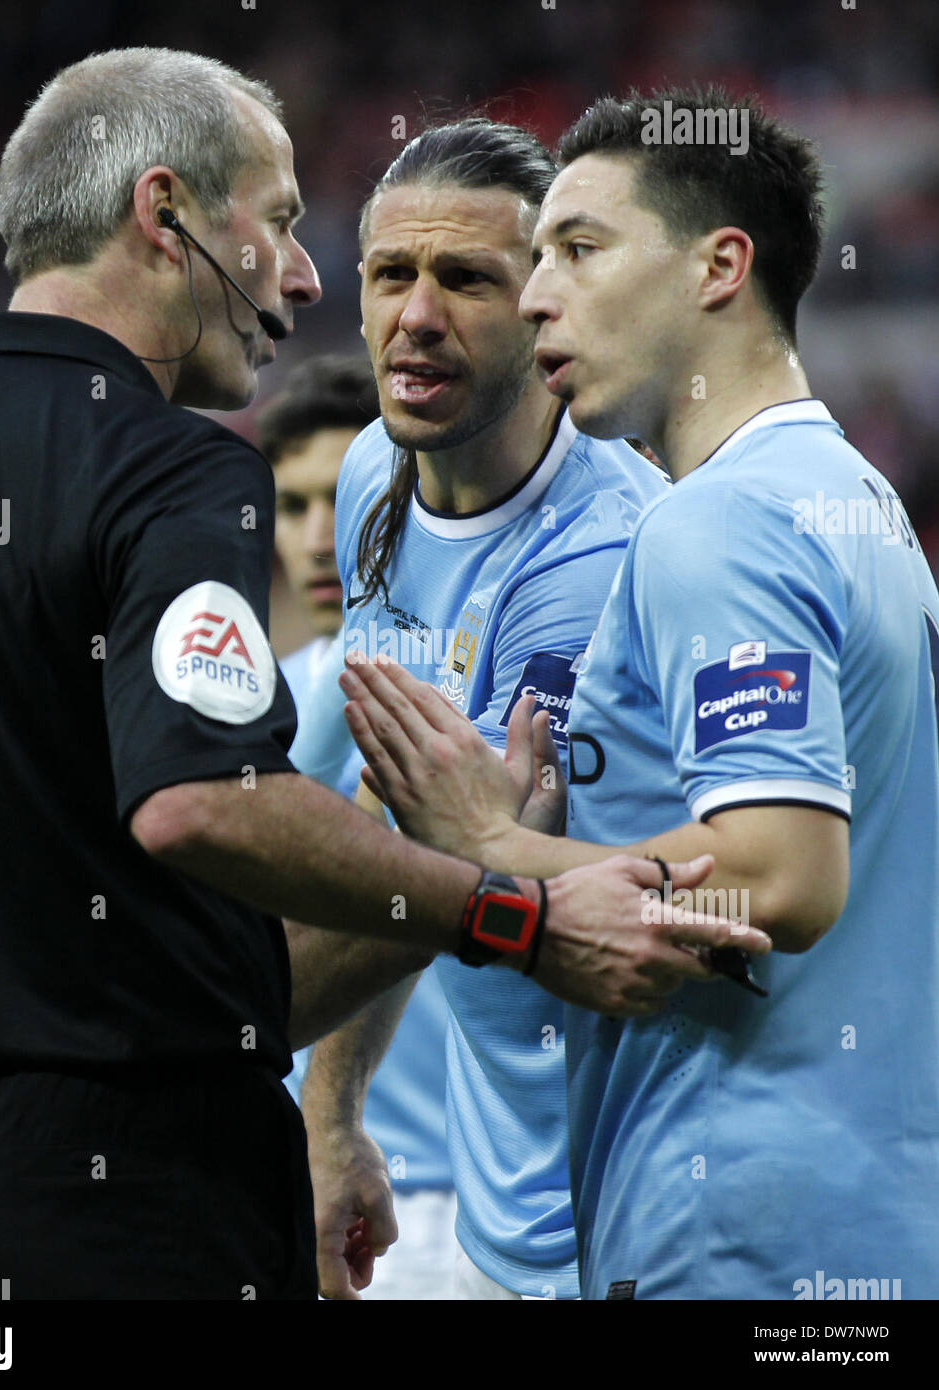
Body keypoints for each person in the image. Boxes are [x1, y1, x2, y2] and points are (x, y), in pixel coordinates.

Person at [0, 48, 760, 1300]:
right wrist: (504, 909)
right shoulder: (183, 472)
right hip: (119, 1195)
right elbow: (220, 803)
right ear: (164, 214)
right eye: (288, 227)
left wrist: (325, 1106)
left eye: (465, 278)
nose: (305, 276)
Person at [339, 86, 939, 1299]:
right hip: (855, 1202)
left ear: (719, 266)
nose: (540, 293)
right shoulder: (849, 496)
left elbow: (781, 869)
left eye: (579, 250)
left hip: (739, 1220)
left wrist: (492, 850)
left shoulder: (714, 526)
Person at [299, 119, 693, 1301]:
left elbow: (433, 864)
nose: (415, 316)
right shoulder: (375, 470)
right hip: (495, 1195)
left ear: (542, 307)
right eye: (390, 275)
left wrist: (196, 1036)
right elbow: (386, 825)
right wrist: (335, 1114)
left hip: (631, 1199)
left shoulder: (599, 560)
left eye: (465, 279)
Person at [257, 356, 458, 1299]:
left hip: (467, 1203)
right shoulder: (249, 710)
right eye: (293, 506)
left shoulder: (467, 679)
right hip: (317, 1192)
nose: (319, 539)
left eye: (347, 504)